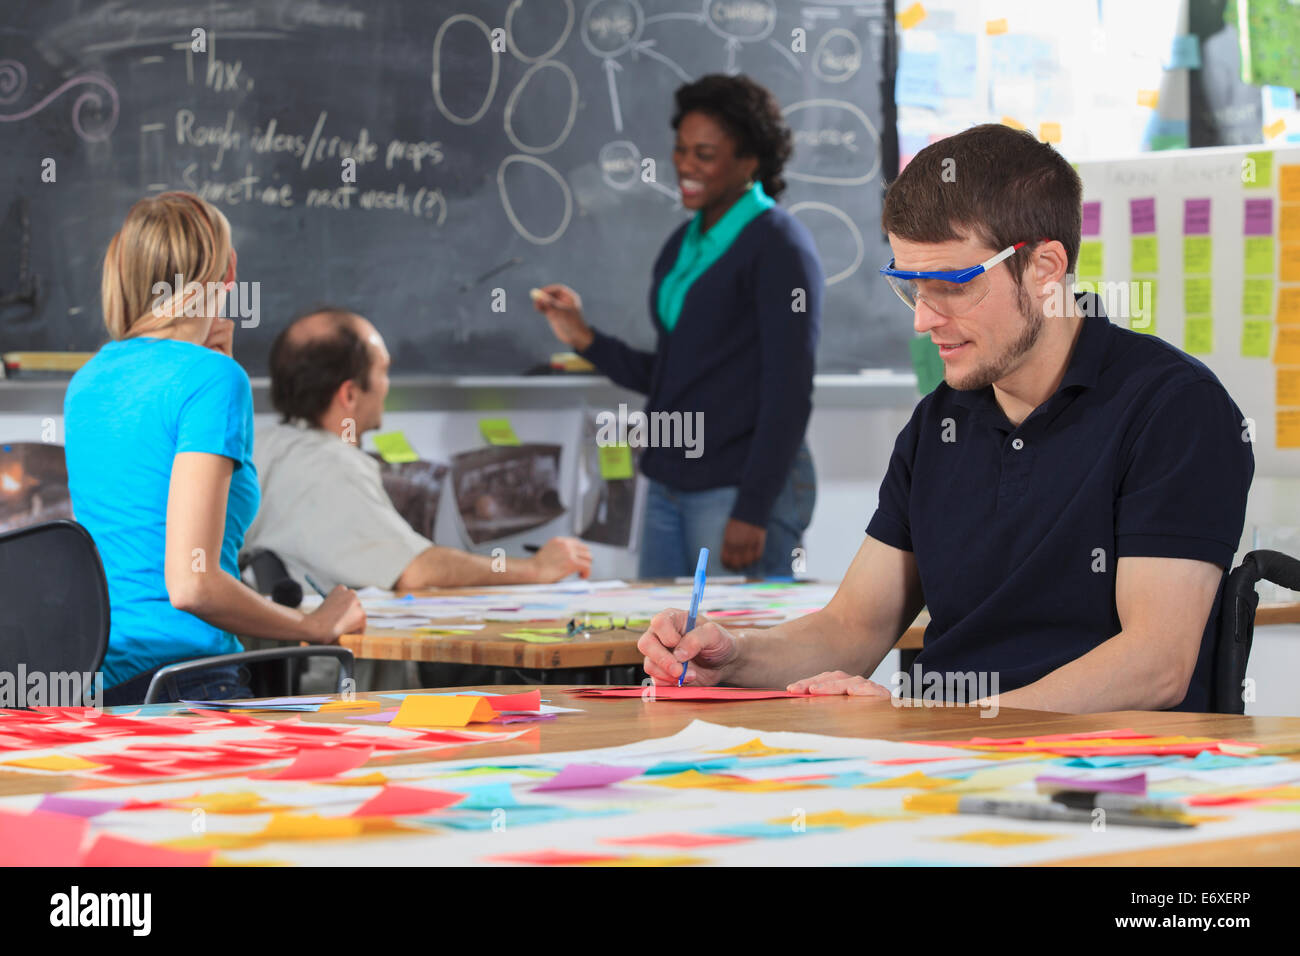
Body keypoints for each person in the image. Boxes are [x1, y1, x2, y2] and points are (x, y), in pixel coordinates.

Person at [637, 124, 1254, 714]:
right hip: (943, 763)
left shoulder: (1175, 410)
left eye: (952, 286)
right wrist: (733, 657)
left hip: (1097, 780)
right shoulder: (940, 423)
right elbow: (853, 627)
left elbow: (1156, 663)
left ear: (1044, 271)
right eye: (911, 287)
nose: (922, 320)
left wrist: (944, 722)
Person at [64, 193, 365, 705]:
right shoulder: (214, 379)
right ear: (229, 274)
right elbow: (192, 584)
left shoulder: (87, 382)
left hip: (97, 684)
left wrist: (213, 359)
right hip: (186, 682)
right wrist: (311, 625)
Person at [533, 74, 822, 579]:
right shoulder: (684, 242)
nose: (685, 165)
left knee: (739, 650)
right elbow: (675, 373)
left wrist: (752, 509)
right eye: (681, 149)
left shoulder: (780, 248)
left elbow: (789, 392)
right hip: (669, 480)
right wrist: (583, 338)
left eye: (704, 154)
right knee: (663, 648)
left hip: (738, 488)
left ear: (749, 161)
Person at [242, 307, 591, 592]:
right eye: (383, 372)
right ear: (349, 394)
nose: (386, 386)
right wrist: (535, 569)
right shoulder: (327, 465)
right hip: (332, 668)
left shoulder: (262, 444)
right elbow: (413, 569)